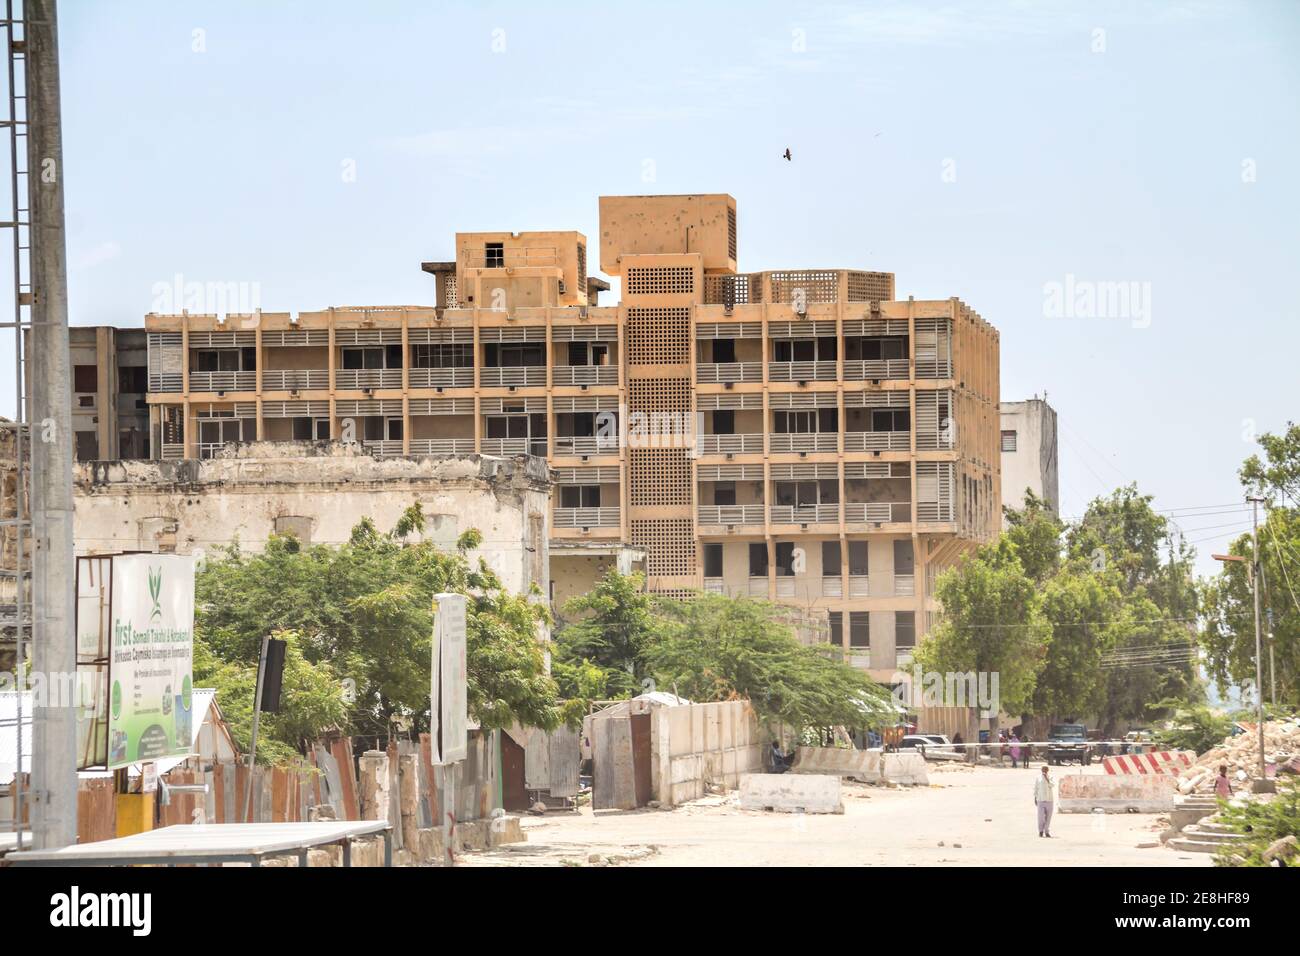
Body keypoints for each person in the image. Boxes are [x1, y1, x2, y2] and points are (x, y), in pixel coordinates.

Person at [1034, 764, 1055, 838]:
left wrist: (1047, 778)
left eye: (1046, 770)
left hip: (1049, 800)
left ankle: (1046, 831)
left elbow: (1052, 785)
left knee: (1048, 817)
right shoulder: (1038, 778)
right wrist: (1035, 798)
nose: (1044, 771)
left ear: (1047, 770)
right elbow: (1036, 788)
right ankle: (1040, 831)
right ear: (1041, 770)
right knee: (1041, 817)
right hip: (1040, 799)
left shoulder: (1051, 777)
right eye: (1043, 770)